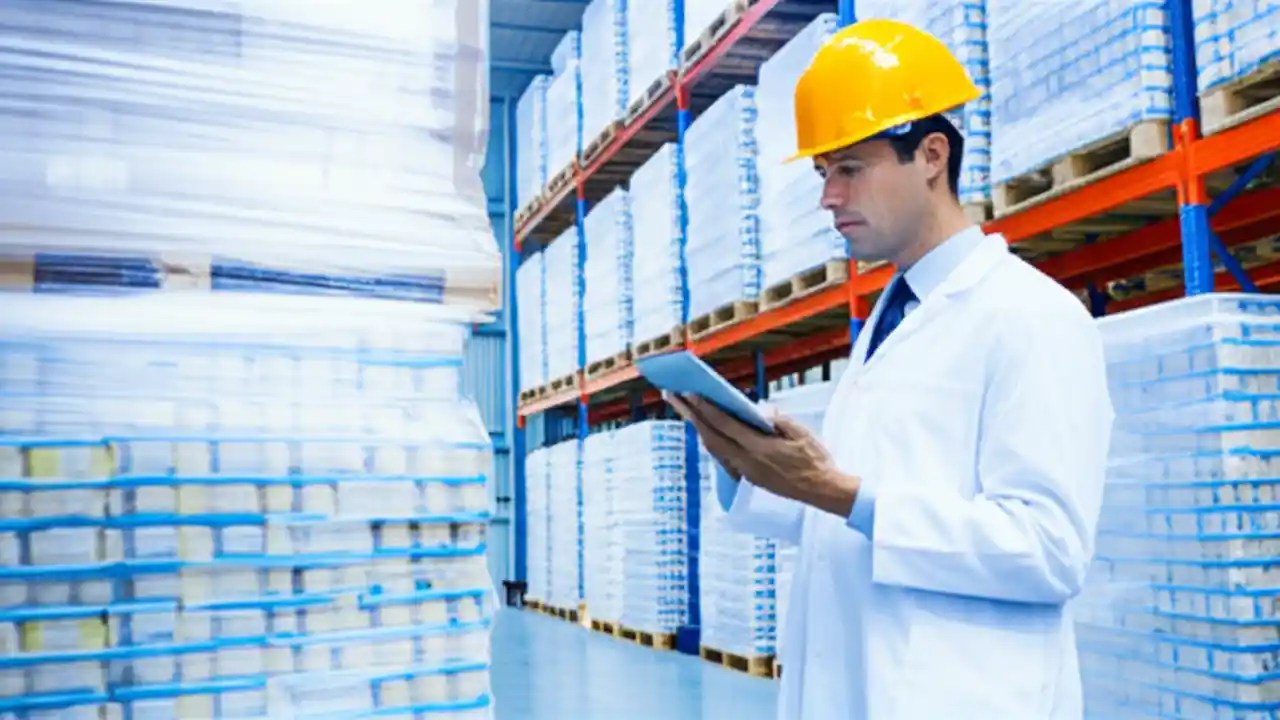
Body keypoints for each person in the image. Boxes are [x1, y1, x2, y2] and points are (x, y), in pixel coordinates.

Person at [666, 18, 1115, 720]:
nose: (828, 198)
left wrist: (840, 491)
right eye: (822, 174)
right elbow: (870, 509)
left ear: (931, 154)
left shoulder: (1032, 316)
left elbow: (1049, 550)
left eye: (849, 169)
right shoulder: (892, 315)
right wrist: (749, 464)